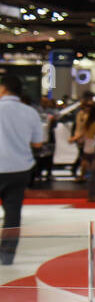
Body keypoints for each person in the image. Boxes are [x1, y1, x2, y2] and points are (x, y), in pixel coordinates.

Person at [0, 74, 46, 265]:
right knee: (13, 212)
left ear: (3, 88)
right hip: (19, 169)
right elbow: (38, 143)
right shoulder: (31, 113)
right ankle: (7, 255)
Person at [72, 103, 95, 202]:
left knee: (91, 174)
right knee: (93, 175)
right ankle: (93, 195)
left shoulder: (87, 124)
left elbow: (82, 137)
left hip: (87, 150)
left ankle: (94, 194)